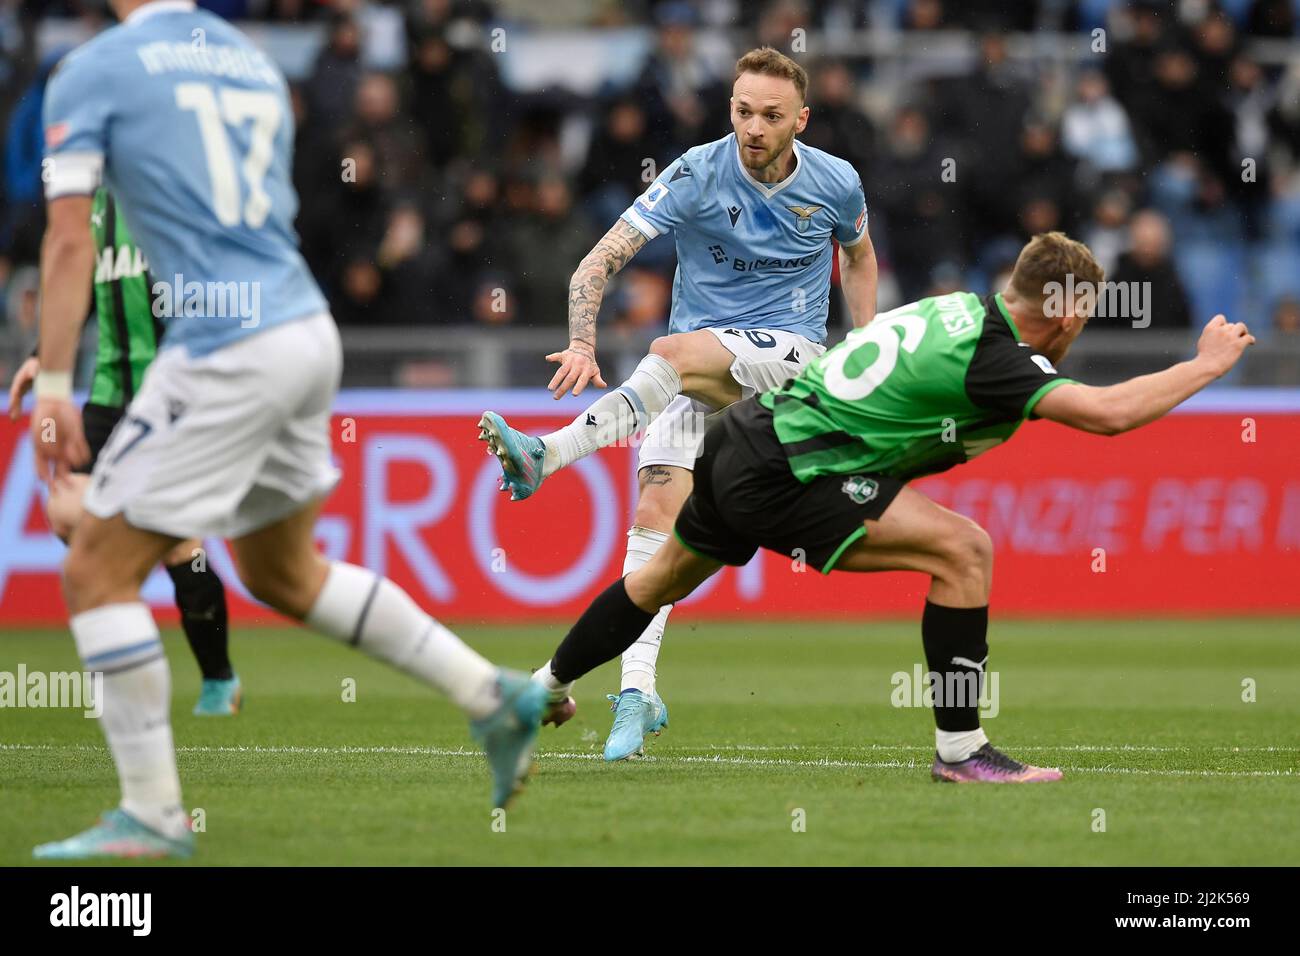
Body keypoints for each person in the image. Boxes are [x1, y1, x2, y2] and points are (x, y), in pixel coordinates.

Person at [29, 0, 546, 860]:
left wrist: (52, 377)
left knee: (93, 571)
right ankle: (489, 693)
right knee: (285, 572)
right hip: (305, 330)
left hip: (224, 347)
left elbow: (69, 240)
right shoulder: (246, 59)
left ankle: (152, 818)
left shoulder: (94, 68)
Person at [529, 232, 1254, 783]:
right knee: (964, 551)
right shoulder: (998, 355)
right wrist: (1205, 366)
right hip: (791, 466)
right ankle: (962, 751)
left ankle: (536, 691)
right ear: (1066, 316)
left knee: (656, 583)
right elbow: (1107, 416)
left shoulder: (960, 309)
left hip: (739, 440)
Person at [478, 46, 879, 761]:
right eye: (743, 111)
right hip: (702, 380)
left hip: (793, 364)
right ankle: (635, 689)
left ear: (801, 120)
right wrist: (579, 342)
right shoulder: (696, 172)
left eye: (771, 115)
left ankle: (550, 453)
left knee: (670, 353)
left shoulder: (836, 182)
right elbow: (598, 259)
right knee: (655, 525)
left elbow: (859, 253)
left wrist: (867, 342)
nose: (753, 127)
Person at [9, 187, 241, 717]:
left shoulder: (177, 190)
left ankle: (217, 680)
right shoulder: (93, 205)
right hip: (110, 398)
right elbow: (79, 291)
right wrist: (44, 357)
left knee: (181, 545)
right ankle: (136, 652)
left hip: (174, 400)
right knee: (66, 508)